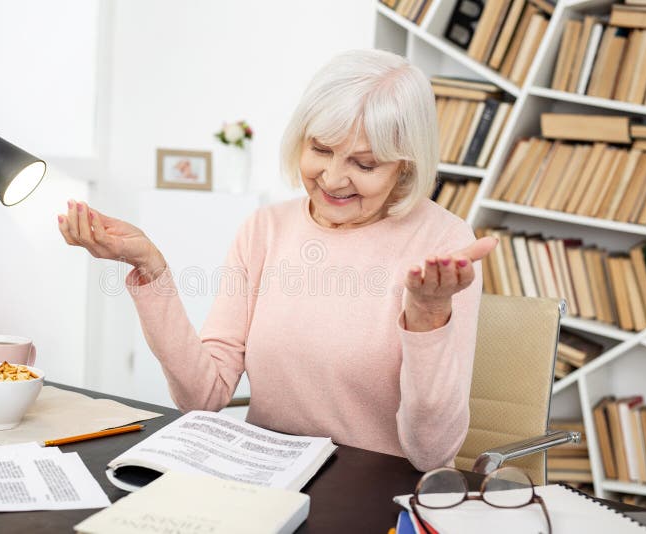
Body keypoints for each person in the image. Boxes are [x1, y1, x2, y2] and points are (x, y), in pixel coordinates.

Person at [58, 49, 497, 471]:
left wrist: (428, 316)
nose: (333, 178)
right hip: (266, 479)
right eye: (321, 150)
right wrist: (151, 269)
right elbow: (203, 398)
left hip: (375, 492)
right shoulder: (264, 229)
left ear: (405, 166)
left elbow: (431, 454)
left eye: (364, 165)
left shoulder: (443, 244)